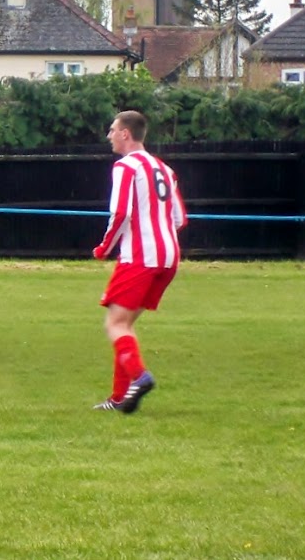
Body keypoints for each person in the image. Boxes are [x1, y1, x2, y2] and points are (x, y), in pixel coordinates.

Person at [92, 111, 185, 414]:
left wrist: (105, 246)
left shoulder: (126, 167)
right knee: (126, 325)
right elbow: (179, 218)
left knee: (115, 324)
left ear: (125, 134)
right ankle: (120, 397)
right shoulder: (164, 169)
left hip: (140, 256)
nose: (109, 136)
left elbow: (121, 213)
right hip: (169, 256)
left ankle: (140, 377)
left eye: (112, 130)